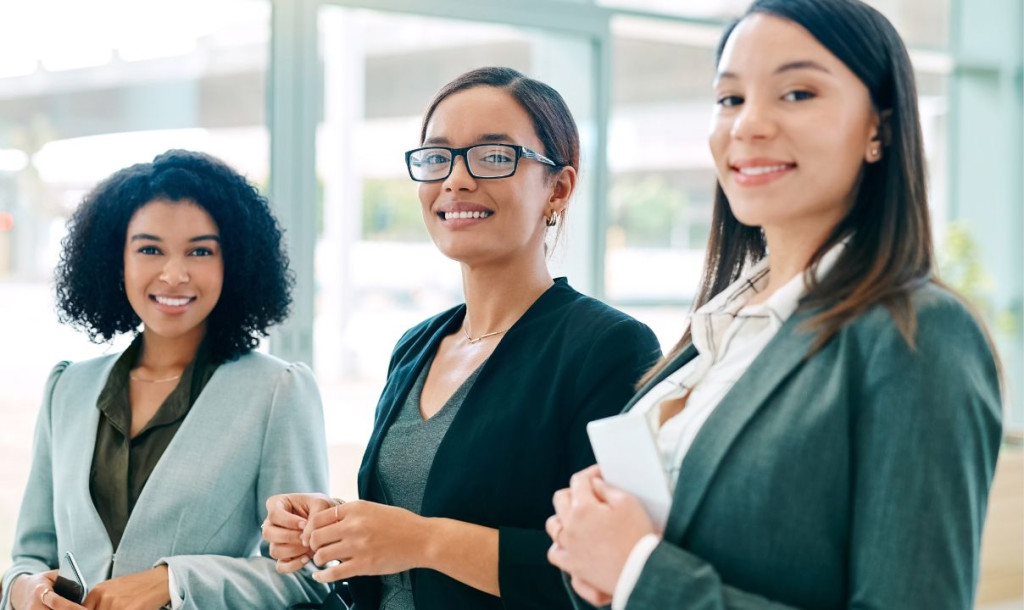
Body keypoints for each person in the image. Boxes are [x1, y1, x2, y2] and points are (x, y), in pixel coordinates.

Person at [546, 1, 1003, 608]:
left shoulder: (916, 333)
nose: (748, 125)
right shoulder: (717, 330)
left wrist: (638, 572)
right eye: (730, 98)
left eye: (797, 93)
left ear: (880, 129)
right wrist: (593, 553)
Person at [261, 67, 662, 610]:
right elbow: (402, 540)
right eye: (436, 157)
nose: (456, 179)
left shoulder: (609, 348)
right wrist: (333, 527)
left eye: (494, 157)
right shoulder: (416, 346)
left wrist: (422, 542)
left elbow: (611, 574)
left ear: (559, 188)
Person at [2, 150, 330, 610]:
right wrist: (23, 590)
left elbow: (307, 577)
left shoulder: (278, 392)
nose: (174, 274)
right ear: (117, 260)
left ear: (231, 262)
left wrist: (171, 582)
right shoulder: (68, 389)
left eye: (200, 251)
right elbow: (29, 554)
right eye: (150, 249)